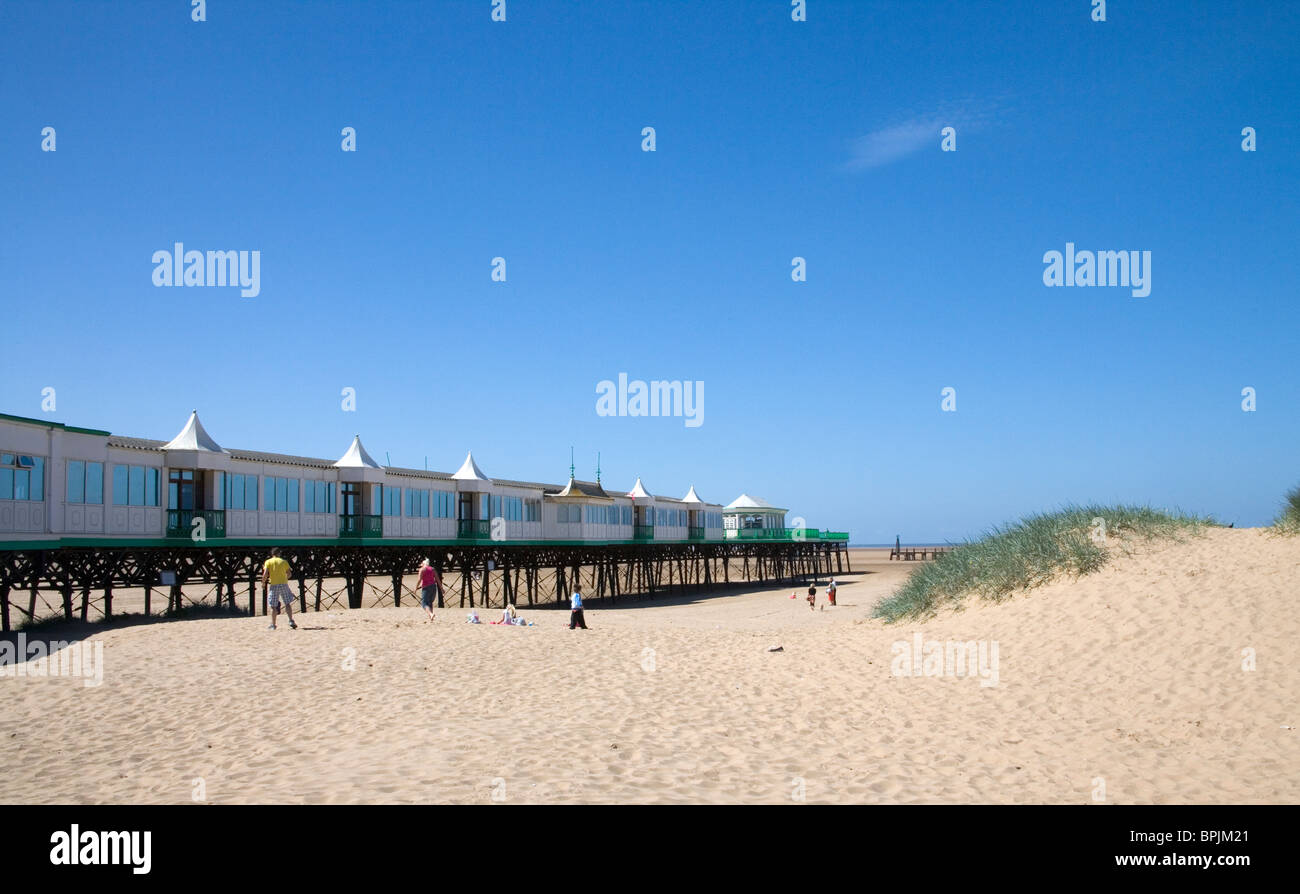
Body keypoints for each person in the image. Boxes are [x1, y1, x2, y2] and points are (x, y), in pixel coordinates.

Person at [261, 547, 297, 630]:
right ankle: (291, 620)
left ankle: (273, 625)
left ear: (272, 554)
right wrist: (285, 578)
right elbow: (289, 574)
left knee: (273, 605)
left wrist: (263, 583)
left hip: (273, 585)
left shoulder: (268, 562)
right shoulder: (284, 562)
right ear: (279, 553)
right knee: (287, 603)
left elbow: (265, 574)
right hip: (283, 584)